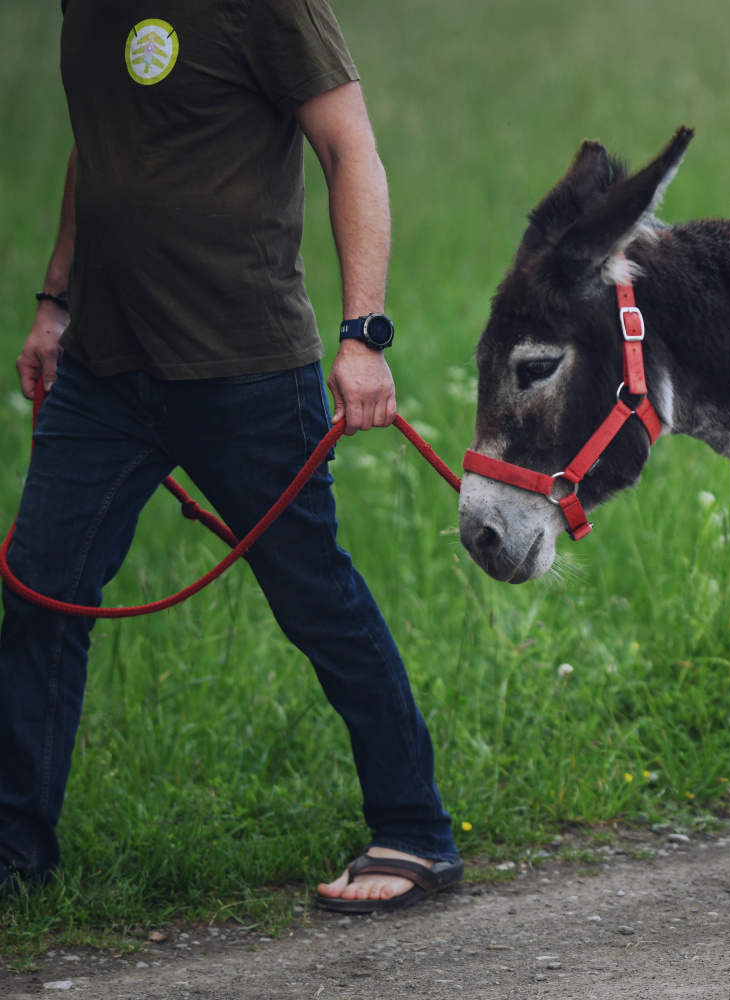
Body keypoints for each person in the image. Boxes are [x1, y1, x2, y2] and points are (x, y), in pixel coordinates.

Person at [0, 0, 461, 912]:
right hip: (103, 370)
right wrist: (56, 300)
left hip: (243, 369)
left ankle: (415, 832)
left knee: (314, 599)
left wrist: (364, 335)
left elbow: (349, 149)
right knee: (40, 593)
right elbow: (99, 150)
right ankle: (17, 853)